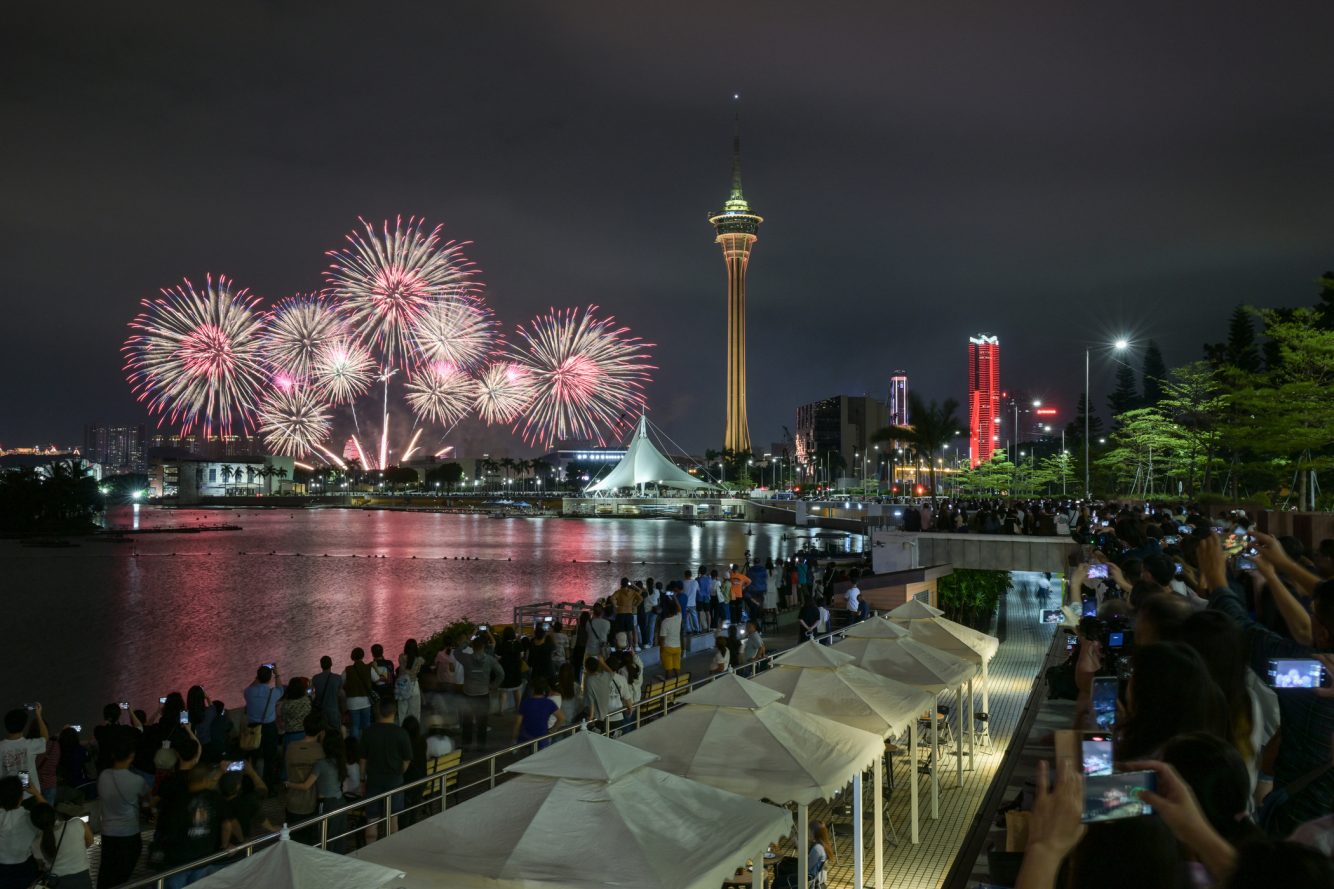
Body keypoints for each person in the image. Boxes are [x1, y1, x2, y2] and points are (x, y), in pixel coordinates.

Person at [161, 764, 229, 889]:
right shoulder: (215, 798)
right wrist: (224, 845)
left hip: (177, 859)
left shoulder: (177, 798)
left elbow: (168, 828)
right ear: (205, 779)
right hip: (204, 857)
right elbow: (226, 824)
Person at [96, 732, 149, 889]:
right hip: (128, 834)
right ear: (131, 756)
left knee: (106, 872)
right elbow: (147, 802)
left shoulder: (104, 775)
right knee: (122, 876)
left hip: (107, 833)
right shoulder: (137, 780)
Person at [359, 700, 411, 838]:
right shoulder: (401, 733)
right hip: (394, 780)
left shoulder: (368, 732)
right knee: (393, 819)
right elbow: (407, 759)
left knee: (371, 819)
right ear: (394, 713)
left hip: (373, 780)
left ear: (378, 712)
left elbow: (363, 760)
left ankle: (370, 852)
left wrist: (362, 780)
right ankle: (391, 852)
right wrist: (400, 772)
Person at [282, 712, 325, 842]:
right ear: (321, 731)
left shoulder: (291, 747)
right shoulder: (321, 751)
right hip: (311, 803)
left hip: (292, 800)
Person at [29, 802, 92, 889]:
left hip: (56, 883)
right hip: (82, 879)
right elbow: (90, 842)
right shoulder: (77, 823)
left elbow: (42, 866)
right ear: (55, 814)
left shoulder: (35, 843)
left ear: (35, 824)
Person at [458, 636, 504, 752]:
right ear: (484, 646)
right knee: (482, 722)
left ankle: (466, 745)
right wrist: (493, 686)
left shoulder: (466, 658)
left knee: (467, 722)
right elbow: (501, 674)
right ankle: (481, 746)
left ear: (472, 647)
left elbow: (456, 652)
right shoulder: (490, 660)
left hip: (468, 693)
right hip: (483, 693)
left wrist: (466, 642)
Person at [242, 664, 281, 786]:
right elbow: (281, 688)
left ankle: (253, 784)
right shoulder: (273, 692)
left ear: (257, 677)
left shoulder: (248, 692)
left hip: (253, 728)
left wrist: (258, 677)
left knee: (253, 757)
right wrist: (277, 673)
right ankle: (269, 785)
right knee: (270, 758)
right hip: (269, 728)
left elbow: (251, 687)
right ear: (270, 679)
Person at [513, 676, 564, 749]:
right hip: (542, 739)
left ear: (532, 689)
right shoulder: (549, 703)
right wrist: (552, 730)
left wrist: (514, 739)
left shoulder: (525, 703)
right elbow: (561, 718)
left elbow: (517, 723)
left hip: (525, 739)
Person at [0, 705, 47, 783]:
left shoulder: (1, 747)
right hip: (31, 792)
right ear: (24, 726)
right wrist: (39, 715)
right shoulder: (29, 745)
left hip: (9, 793)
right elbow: (45, 738)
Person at [276, 676, 311, 778]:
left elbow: (283, 719)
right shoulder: (306, 700)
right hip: (305, 734)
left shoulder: (286, 704)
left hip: (290, 736)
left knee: (289, 761)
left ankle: (287, 782)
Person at [343, 648, 375, 740]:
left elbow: (341, 681)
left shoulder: (348, 670)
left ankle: (355, 747)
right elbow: (376, 679)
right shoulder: (368, 668)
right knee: (367, 724)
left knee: (355, 726)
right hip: (366, 701)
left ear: (352, 657)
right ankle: (367, 744)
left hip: (352, 703)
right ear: (362, 656)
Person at [495, 627, 526, 714]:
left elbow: (497, 657)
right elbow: (522, 655)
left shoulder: (502, 644)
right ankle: (518, 708)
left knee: (503, 690)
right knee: (517, 690)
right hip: (516, 670)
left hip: (505, 670)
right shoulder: (518, 644)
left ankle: (501, 710)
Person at [395, 639, 425, 726]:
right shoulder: (420, 660)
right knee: (415, 711)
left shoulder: (401, 657)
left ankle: (402, 730)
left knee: (402, 711)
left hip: (402, 684)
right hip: (414, 684)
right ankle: (414, 731)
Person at [310, 655, 344, 732]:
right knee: (336, 732)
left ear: (321, 665)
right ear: (331, 664)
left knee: (322, 732)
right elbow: (341, 695)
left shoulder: (315, 678)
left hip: (321, 711)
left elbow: (311, 694)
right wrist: (343, 711)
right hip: (334, 710)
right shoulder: (337, 678)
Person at [658, 599, 684, 680]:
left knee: (668, 669)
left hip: (667, 648)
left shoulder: (665, 622)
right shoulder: (679, 617)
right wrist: (675, 598)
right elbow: (679, 608)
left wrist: (661, 650)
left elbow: (662, 638)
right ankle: (679, 685)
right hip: (677, 647)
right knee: (677, 668)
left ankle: (669, 688)